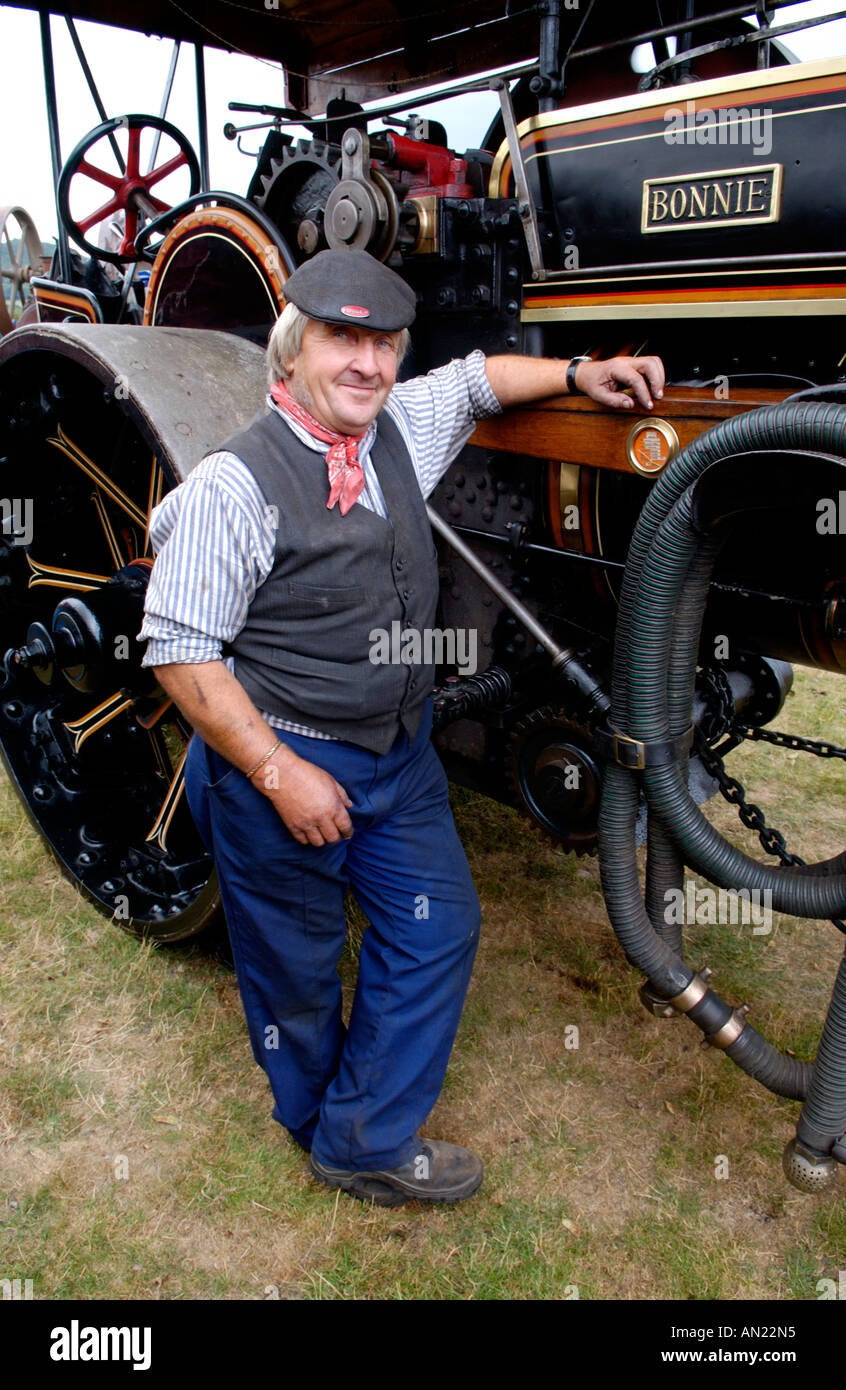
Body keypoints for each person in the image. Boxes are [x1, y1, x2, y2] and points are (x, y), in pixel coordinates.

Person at [140, 248, 664, 1207]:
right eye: (343, 339)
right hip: (284, 763)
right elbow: (179, 648)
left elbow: (475, 383)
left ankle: (360, 1137)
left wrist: (580, 373)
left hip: (398, 752)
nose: (367, 365)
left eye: (382, 344)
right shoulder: (234, 487)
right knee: (295, 972)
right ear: (292, 353)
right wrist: (275, 773)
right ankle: (316, 1122)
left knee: (437, 930)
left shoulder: (396, 429)